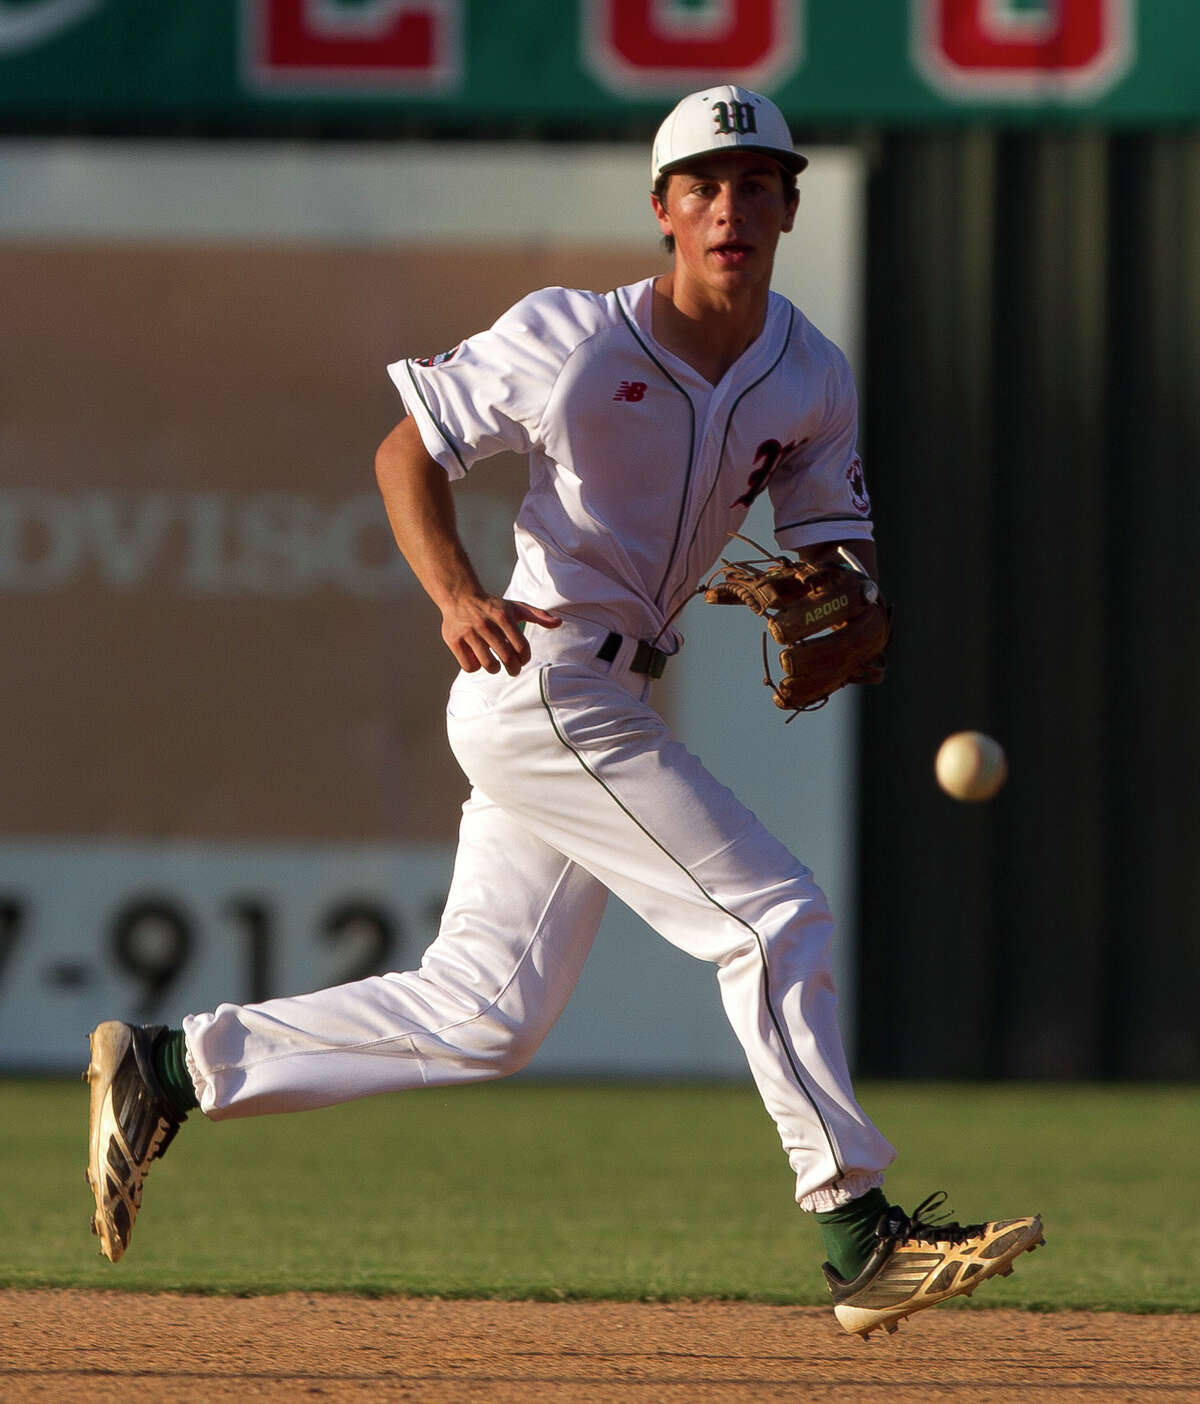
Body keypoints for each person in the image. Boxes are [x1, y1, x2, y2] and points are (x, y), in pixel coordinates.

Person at [84, 85, 1043, 1338]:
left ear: (789, 208)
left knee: (484, 1015)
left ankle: (169, 1069)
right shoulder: (575, 338)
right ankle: (858, 1232)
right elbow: (405, 452)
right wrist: (451, 594)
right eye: (702, 186)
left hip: (613, 691)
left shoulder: (808, 370)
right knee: (772, 917)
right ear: (663, 212)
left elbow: (836, 547)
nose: (729, 207)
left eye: (757, 184)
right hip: (543, 685)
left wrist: (854, 602)